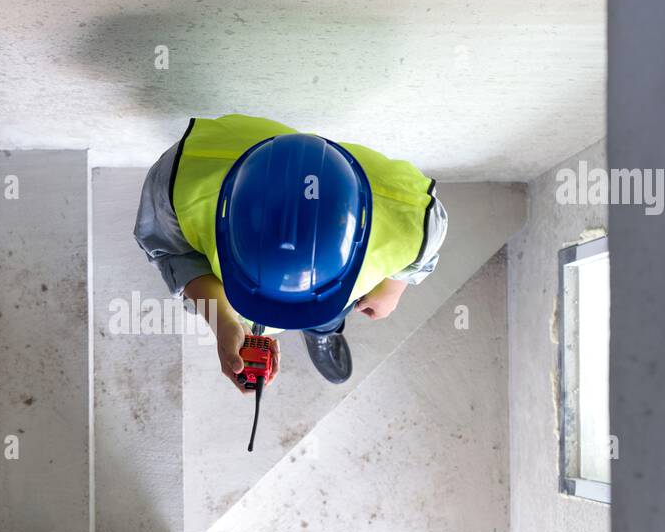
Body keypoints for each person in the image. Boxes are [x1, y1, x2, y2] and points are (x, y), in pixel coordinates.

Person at [133, 114, 447, 390]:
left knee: (330, 313)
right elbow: (173, 251)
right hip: (233, 293)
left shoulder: (410, 214)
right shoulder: (177, 181)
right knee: (331, 309)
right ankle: (323, 325)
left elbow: (424, 247)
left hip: (333, 294)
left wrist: (393, 288)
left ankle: (322, 330)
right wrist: (224, 319)